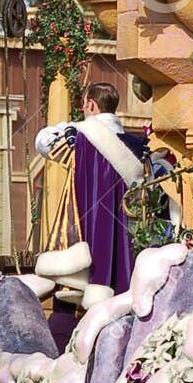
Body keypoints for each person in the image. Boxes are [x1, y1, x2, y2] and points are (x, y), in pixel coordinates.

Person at [35, 83, 148, 303]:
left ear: (92, 105)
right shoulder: (138, 146)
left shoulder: (78, 138)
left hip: (87, 224)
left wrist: (71, 125)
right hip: (127, 229)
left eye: (84, 105)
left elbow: (43, 141)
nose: (83, 110)